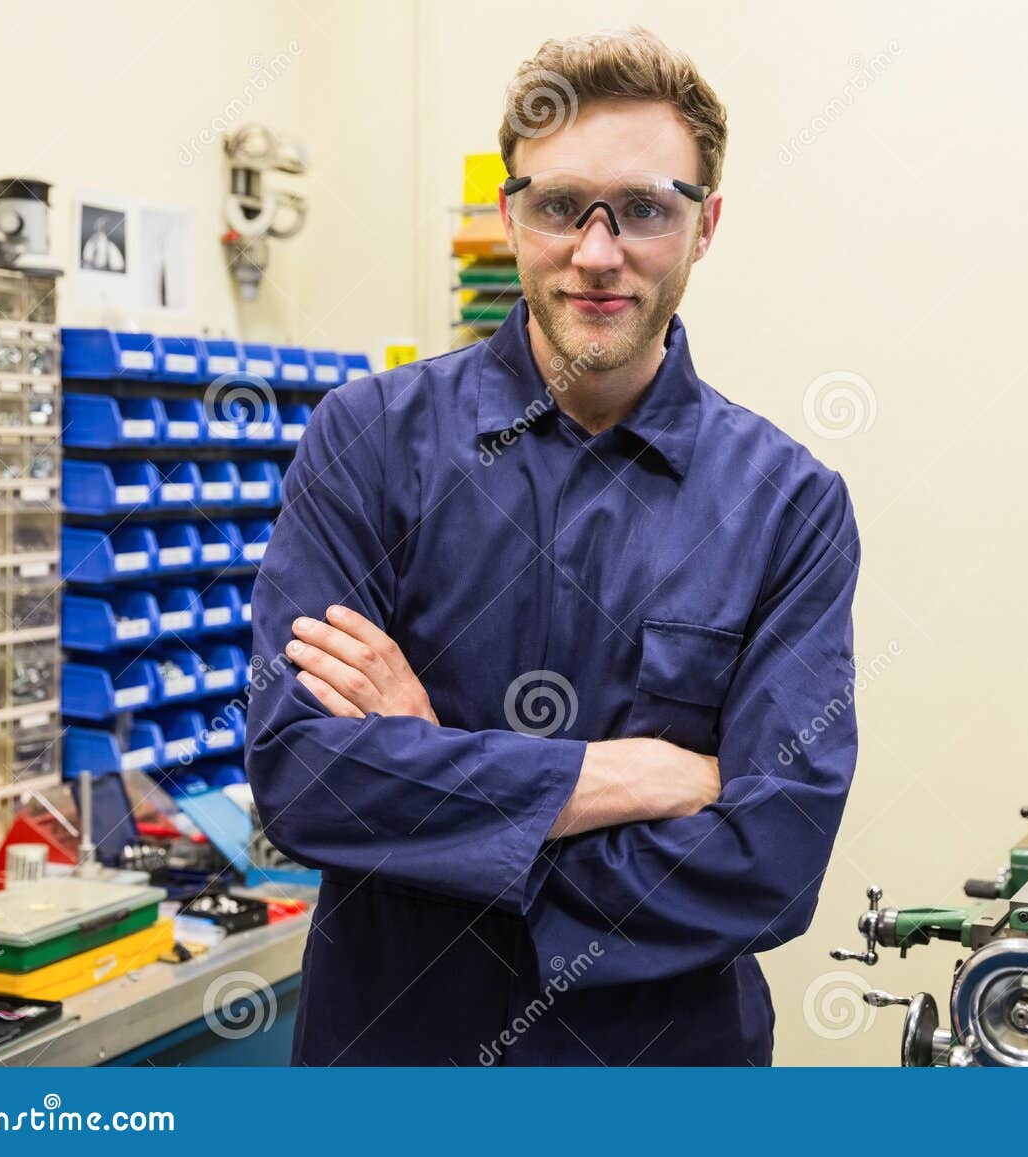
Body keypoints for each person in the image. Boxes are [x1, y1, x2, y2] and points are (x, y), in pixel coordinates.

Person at [245, 26, 861, 1065]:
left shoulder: (787, 506)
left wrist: (446, 792)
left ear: (704, 225)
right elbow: (304, 773)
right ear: (511, 214)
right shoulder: (368, 441)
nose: (598, 252)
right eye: (562, 204)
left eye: (646, 209)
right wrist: (633, 776)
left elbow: (771, 859)